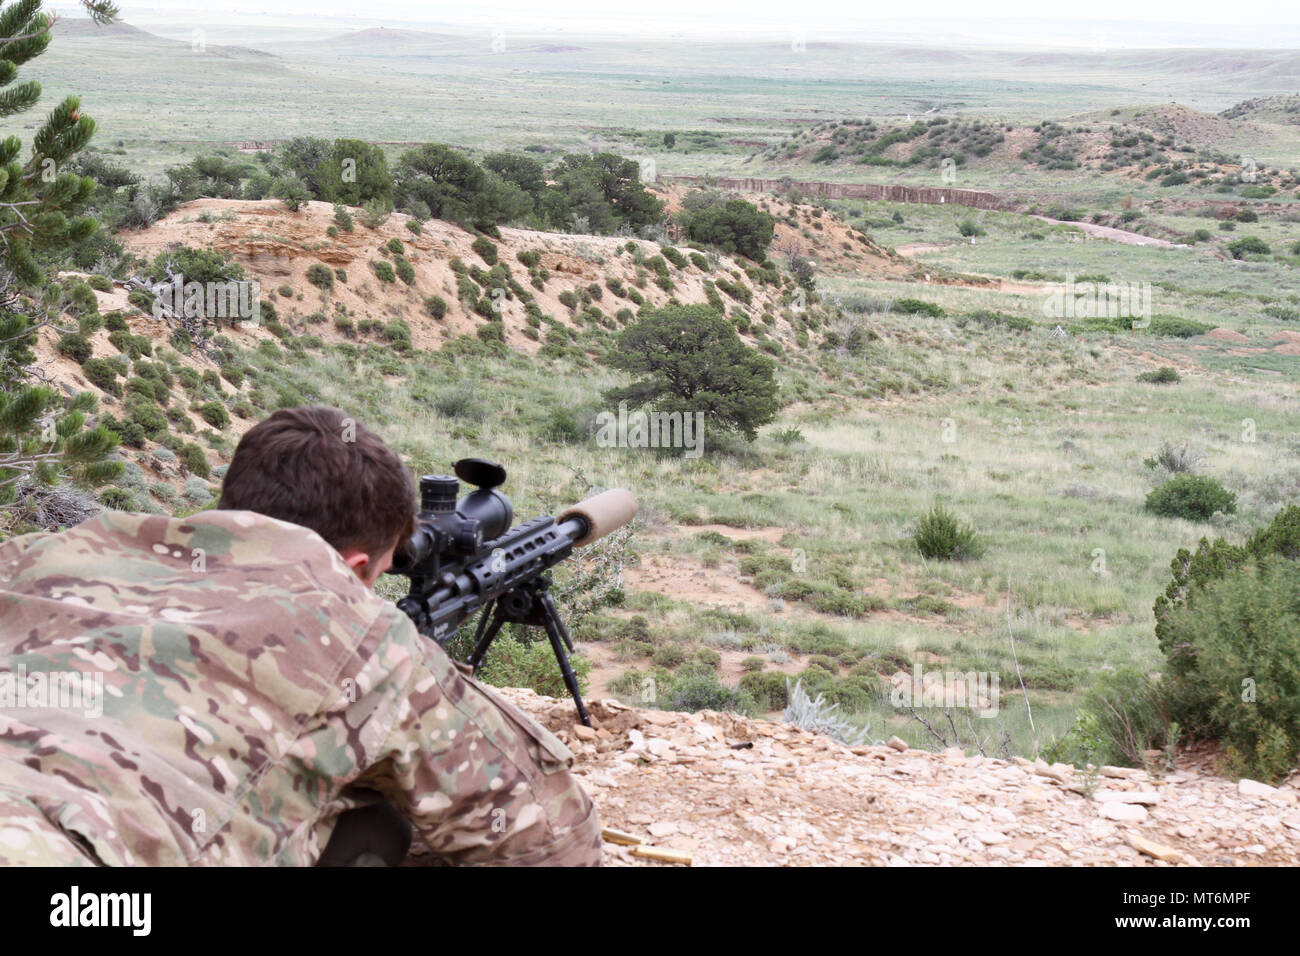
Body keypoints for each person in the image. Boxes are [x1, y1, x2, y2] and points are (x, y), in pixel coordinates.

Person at [0, 406, 602, 866]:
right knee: (373, 827)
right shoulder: (365, 636)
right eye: (385, 570)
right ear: (360, 564)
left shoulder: (34, 555)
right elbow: (547, 840)